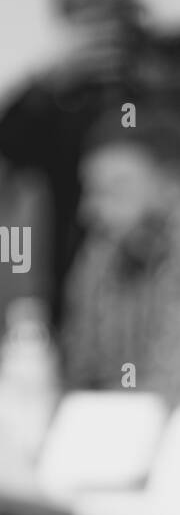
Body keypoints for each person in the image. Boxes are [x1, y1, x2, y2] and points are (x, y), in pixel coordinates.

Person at [0, 0, 180, 330]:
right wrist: (50, 82)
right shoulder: (59, 91)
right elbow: (2, 142)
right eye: (84, 8)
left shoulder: (164, 63)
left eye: (106, 4)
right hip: (76, 257)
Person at [62, 114, 180, 405]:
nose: (91, 209)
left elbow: (169, 383)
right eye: (90, 191)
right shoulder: (101, 253)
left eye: (115, 189)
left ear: (171, 184)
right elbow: (80, 369)